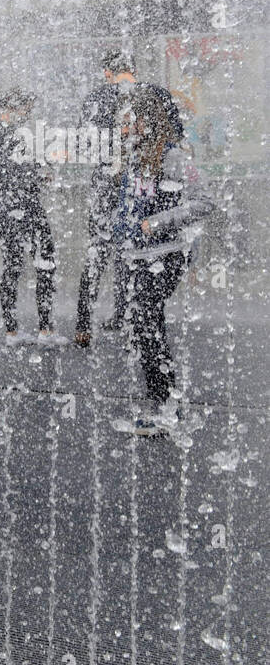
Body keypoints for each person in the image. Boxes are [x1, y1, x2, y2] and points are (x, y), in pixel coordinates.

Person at [114, 86, 212, 435]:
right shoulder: (135, 157)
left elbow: (204, 202)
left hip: (167, 256)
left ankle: (167, 409)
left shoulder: (174, 158)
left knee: (148, 327)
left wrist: (157, 222)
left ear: (147, 121)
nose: (125, 128)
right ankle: (165, 406)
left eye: (130, 122)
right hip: (138, 256)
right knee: (144, 330)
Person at [75, 48, 183, 347]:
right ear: (132, 69)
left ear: (107, 72)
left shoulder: (96, 99)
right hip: (143, 181)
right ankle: (127, 316)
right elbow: (176, 137)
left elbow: (85, 146)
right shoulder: (157, 94)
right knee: (133, 247)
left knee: (97, 253)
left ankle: (84, 324)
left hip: (107, 184)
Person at [0, 88, 64, 345]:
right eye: (26, 107)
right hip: (25, 208)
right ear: (16, 107)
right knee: (45, 262)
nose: (28, 112)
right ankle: (44, 330)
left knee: (12, 267)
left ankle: (12, 332)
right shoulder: (14, 133)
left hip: (5, 210)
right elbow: (15, 172)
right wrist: (39, 175)